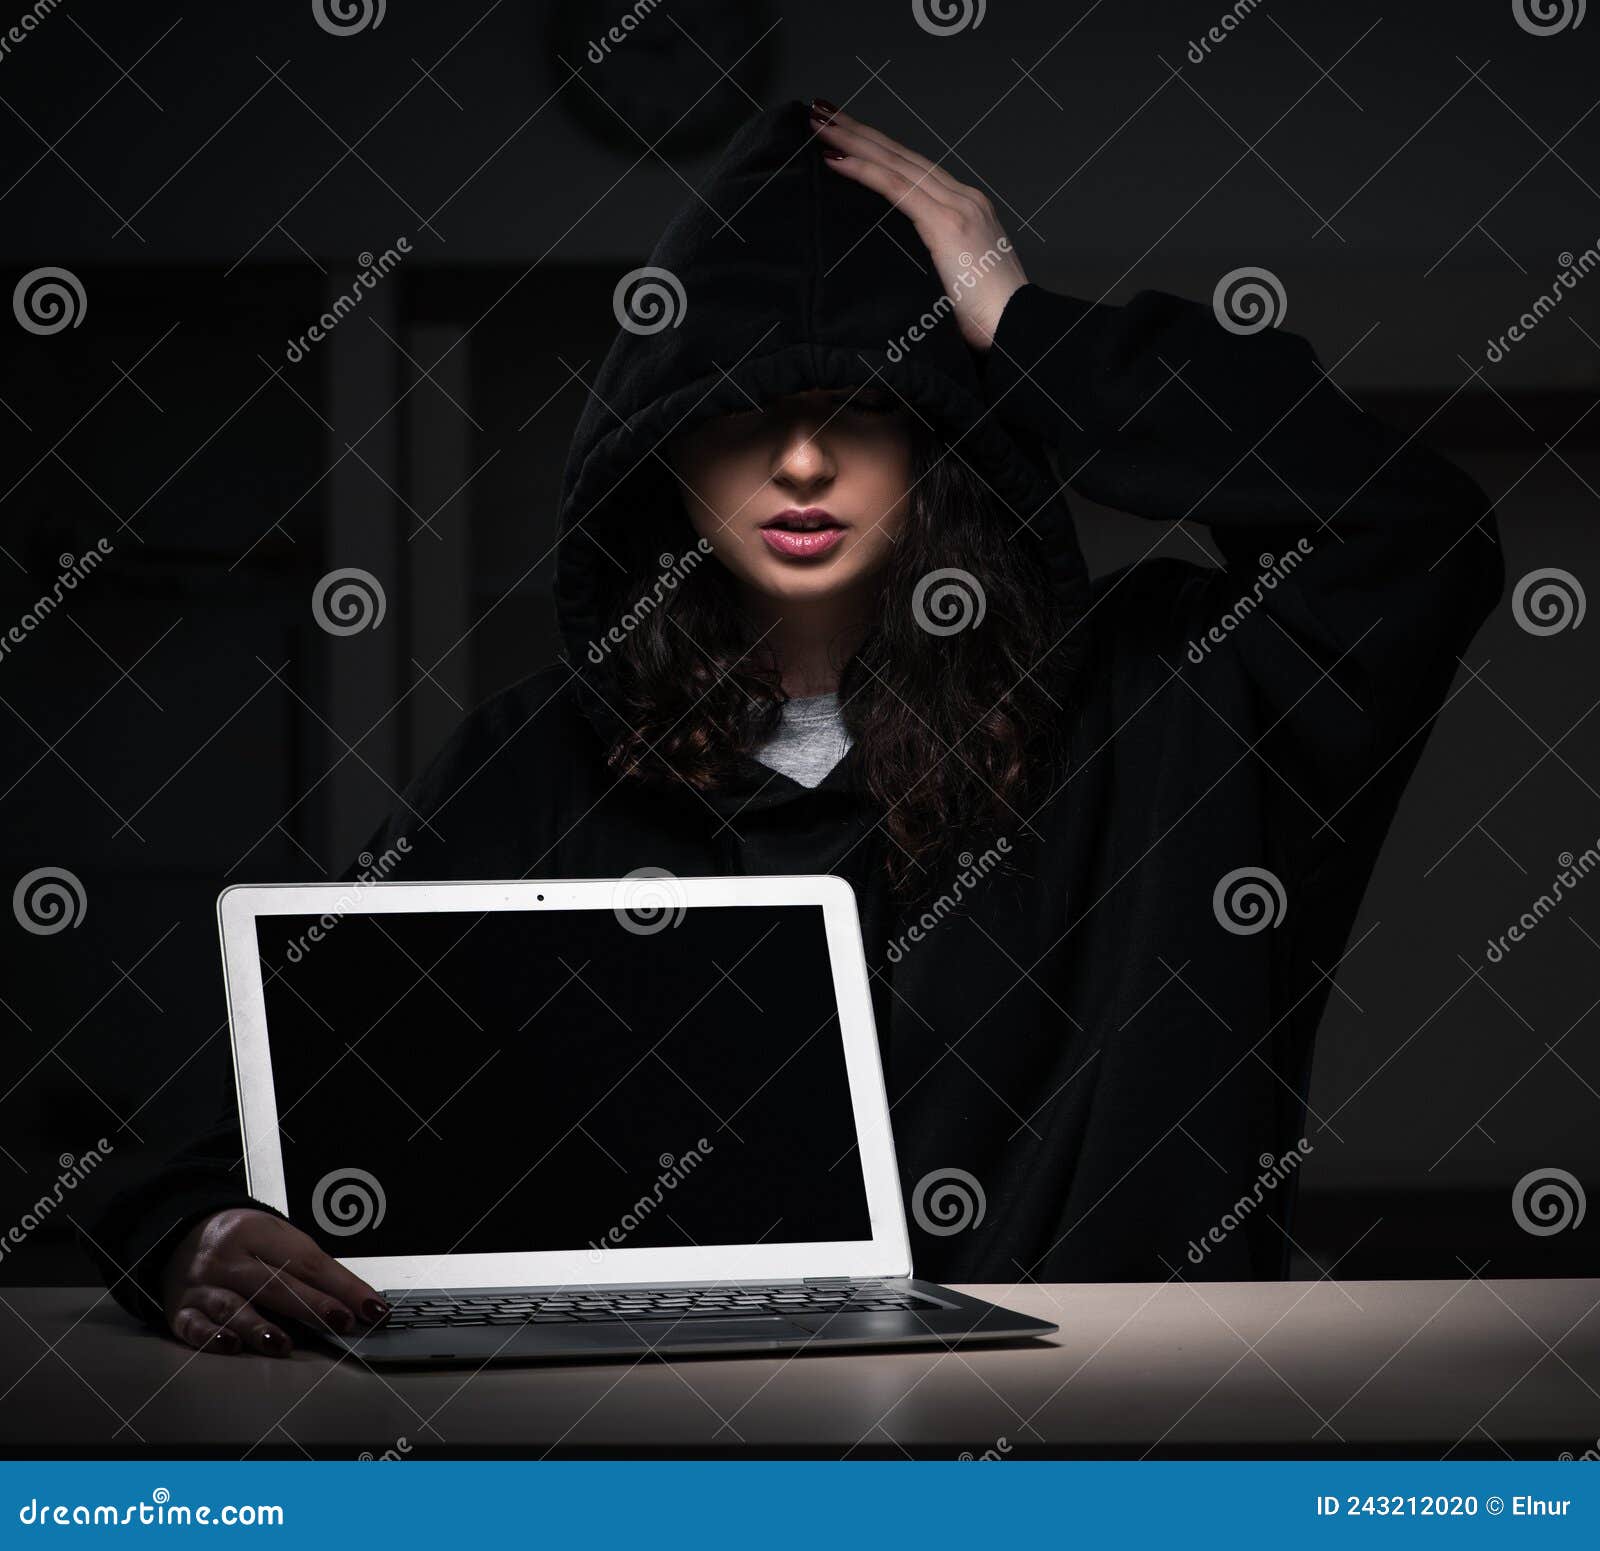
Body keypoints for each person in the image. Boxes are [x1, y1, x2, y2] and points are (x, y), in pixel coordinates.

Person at [84, 100, 1503, 1356]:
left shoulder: (1169, 695)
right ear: (669, 458)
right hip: (682, 1439)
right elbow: (294, 1103)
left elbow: (1410, 531)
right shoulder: (544, 756)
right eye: (749, 418)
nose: (806, 460)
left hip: (1094, 1432)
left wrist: (1020, 319)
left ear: (939, 440)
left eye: (858, 415)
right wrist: (188, 1231)